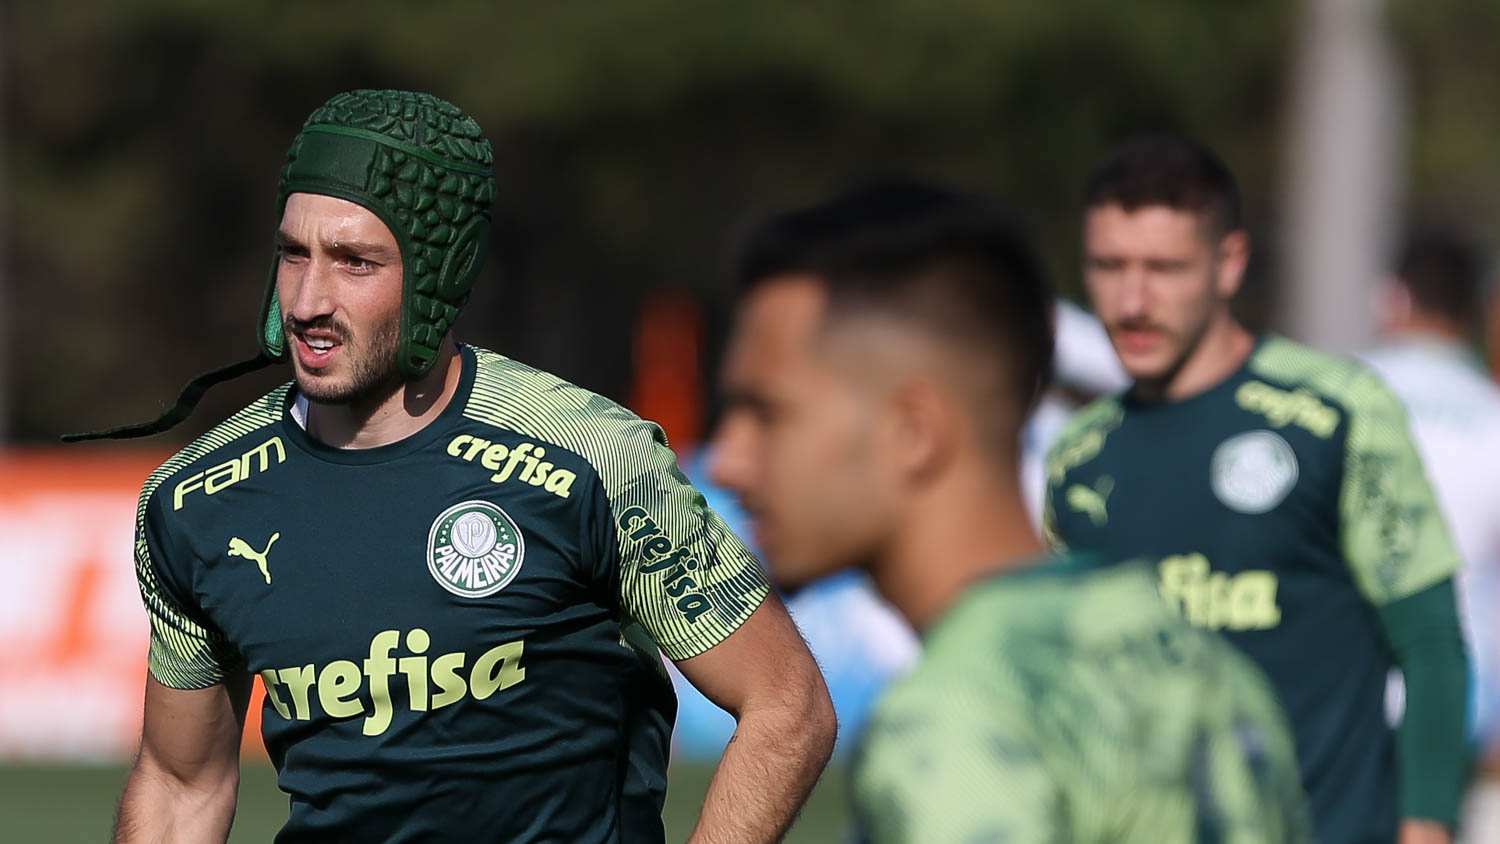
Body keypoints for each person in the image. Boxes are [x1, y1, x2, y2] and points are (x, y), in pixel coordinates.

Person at [102, 89, 835, 842]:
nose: (310, 300)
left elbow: (786, 704)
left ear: (436, 276)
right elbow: (180, 782)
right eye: (295, 254)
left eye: (356, 262)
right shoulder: (195, 501)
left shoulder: (589, 458)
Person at [709, 179, 1310, 841]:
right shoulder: (1203, 667)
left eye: (766, 413)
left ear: (913, 431)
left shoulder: (958, 719)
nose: (729, 460)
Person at [1045, 134, 1471, 843]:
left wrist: (1427, 825)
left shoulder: (1337, 410)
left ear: (1229, 263)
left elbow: (1429, 647)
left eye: (1164, 268)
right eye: (1108, 266)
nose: (1132, 300)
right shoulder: (1078, 457)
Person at [1363, 227, 1500, 840]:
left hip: (1343, 699)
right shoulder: (1493, 418)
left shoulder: (1327, 395)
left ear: (1393, 299)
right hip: (1464, 714)